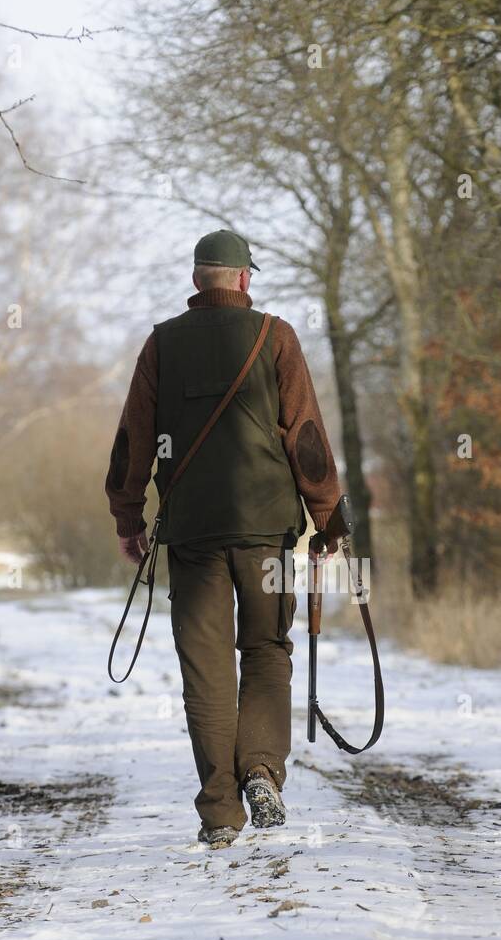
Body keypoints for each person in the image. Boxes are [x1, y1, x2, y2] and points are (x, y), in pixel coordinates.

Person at [105, 229, 342, 848]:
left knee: (205, 667)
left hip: (193, 535)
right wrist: (330, 517)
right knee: (265, 647)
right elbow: (306, 437)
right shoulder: (276, 337)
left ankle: (220, 811)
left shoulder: (161, 344)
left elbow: (133, 440)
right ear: (244, 279)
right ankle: (262, 769)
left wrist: (129, 517)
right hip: (266, 531)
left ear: (195, 281)